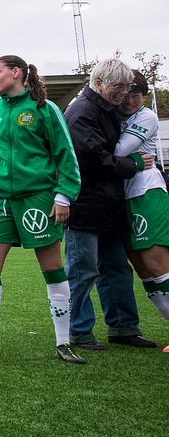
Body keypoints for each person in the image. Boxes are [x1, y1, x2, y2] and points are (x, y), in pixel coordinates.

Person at [0, 55, 84, 363]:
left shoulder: (45, 109)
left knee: (51, 268)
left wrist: (63, 196)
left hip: (37, 198)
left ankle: (63, 342)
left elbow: (66, 155)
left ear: (16, 72)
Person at [63, 59, 158, 350]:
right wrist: (131, 164)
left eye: (127, 86)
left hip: (108, 204)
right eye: (118, 86)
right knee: (83, 270)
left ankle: (123, 327)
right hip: (85, 205)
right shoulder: (82, 111)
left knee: (117, 268)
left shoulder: (106, 109)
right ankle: (79, 330)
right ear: (100, 83)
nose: (123, 92)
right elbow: (91, 158)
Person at [117, 72, 169, 350]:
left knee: (157, 263)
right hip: (125, 196)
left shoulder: (146, 117)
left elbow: (118, 150)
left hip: (147, 192)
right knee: (144, 268)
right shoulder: (115, 115)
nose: (130, 101)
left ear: (144, 96)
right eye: (126, 95)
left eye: (136, 95)